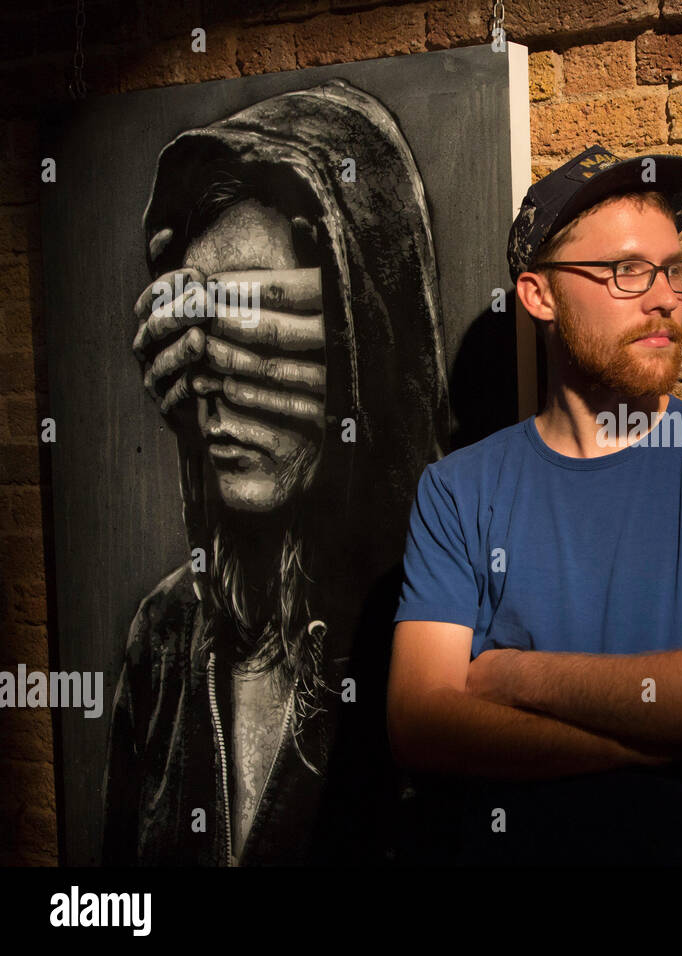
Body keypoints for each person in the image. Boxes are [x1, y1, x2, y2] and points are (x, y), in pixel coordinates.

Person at [387, 145, 682, 866]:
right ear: (540, 296)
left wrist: (509, 677)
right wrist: (674, 745)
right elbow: (423, 724)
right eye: (626, 271)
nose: (666, 297)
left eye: (673, 269)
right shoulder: (458, 489)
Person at [103, 80, 451, 864]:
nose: (219, 388)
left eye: (257, 335)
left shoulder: (435, 637)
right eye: (198, 332)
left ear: (360, 344)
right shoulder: (163, 641)